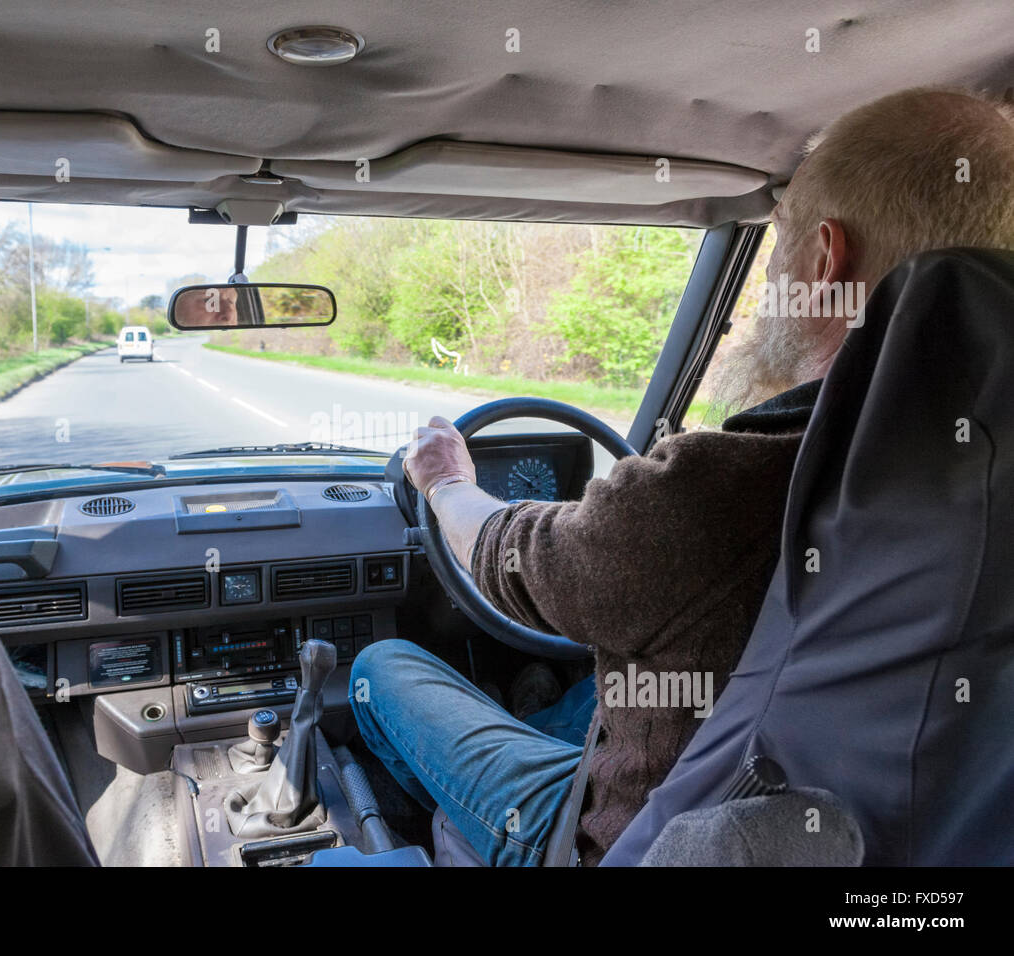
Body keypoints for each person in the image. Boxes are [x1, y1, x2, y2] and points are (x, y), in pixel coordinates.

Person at [350, 87, 1014, 866]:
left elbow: (508, 553)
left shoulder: (722, 483)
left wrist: (444, 483)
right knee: (598, 688)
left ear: (823, 261)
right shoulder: (975, 472)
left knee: (377, 668)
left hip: (626, 833)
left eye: (778, 247)